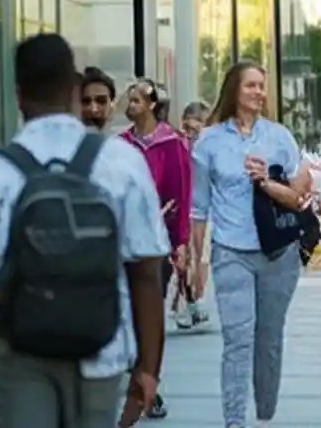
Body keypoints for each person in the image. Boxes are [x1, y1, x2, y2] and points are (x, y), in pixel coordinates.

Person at [0, 34, 170, 428]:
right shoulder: (121, 164)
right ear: (73, 89)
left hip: (19, 351)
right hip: (101, 349)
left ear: (19, 94)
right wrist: (148, 368)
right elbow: (146, 273)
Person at [191, 61, 311, 428]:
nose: (259, 92)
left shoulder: (279, 137)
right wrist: (197, 261)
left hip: (278, 253)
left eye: (263, 86)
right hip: (231, 252)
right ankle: (234, 421)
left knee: (268, 338)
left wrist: (267, 181)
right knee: (237, 340)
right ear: (234, 91)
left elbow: (299, 197)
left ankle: (265, 412)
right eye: (251, 86)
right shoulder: (208, 141)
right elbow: (199, 208)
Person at [122, 79, 192, 419]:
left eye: (136, 100)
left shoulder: (172, 144)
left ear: (151, 105)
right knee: (126, 313)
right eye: (129, 99)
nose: (130, 104)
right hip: (122, 242)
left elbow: (181, 193)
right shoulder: (120, 143)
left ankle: (149, 384)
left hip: (156, 244)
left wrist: (180, 242)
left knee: (149, 315)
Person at [176, 100, 212, 329]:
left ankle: (198, 301)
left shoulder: (209, 149)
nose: (191, 135)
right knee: (183, 260)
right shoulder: (179, 147)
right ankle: (189, 302)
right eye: (187, 129)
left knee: (201, 258)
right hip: (183, 209)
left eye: (196, 129)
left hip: (205, 211)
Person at [80, 66, 116, 133]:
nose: (93, 109)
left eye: (101, 101)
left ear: (112, 105)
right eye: (86, 101)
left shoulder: (121, 142)